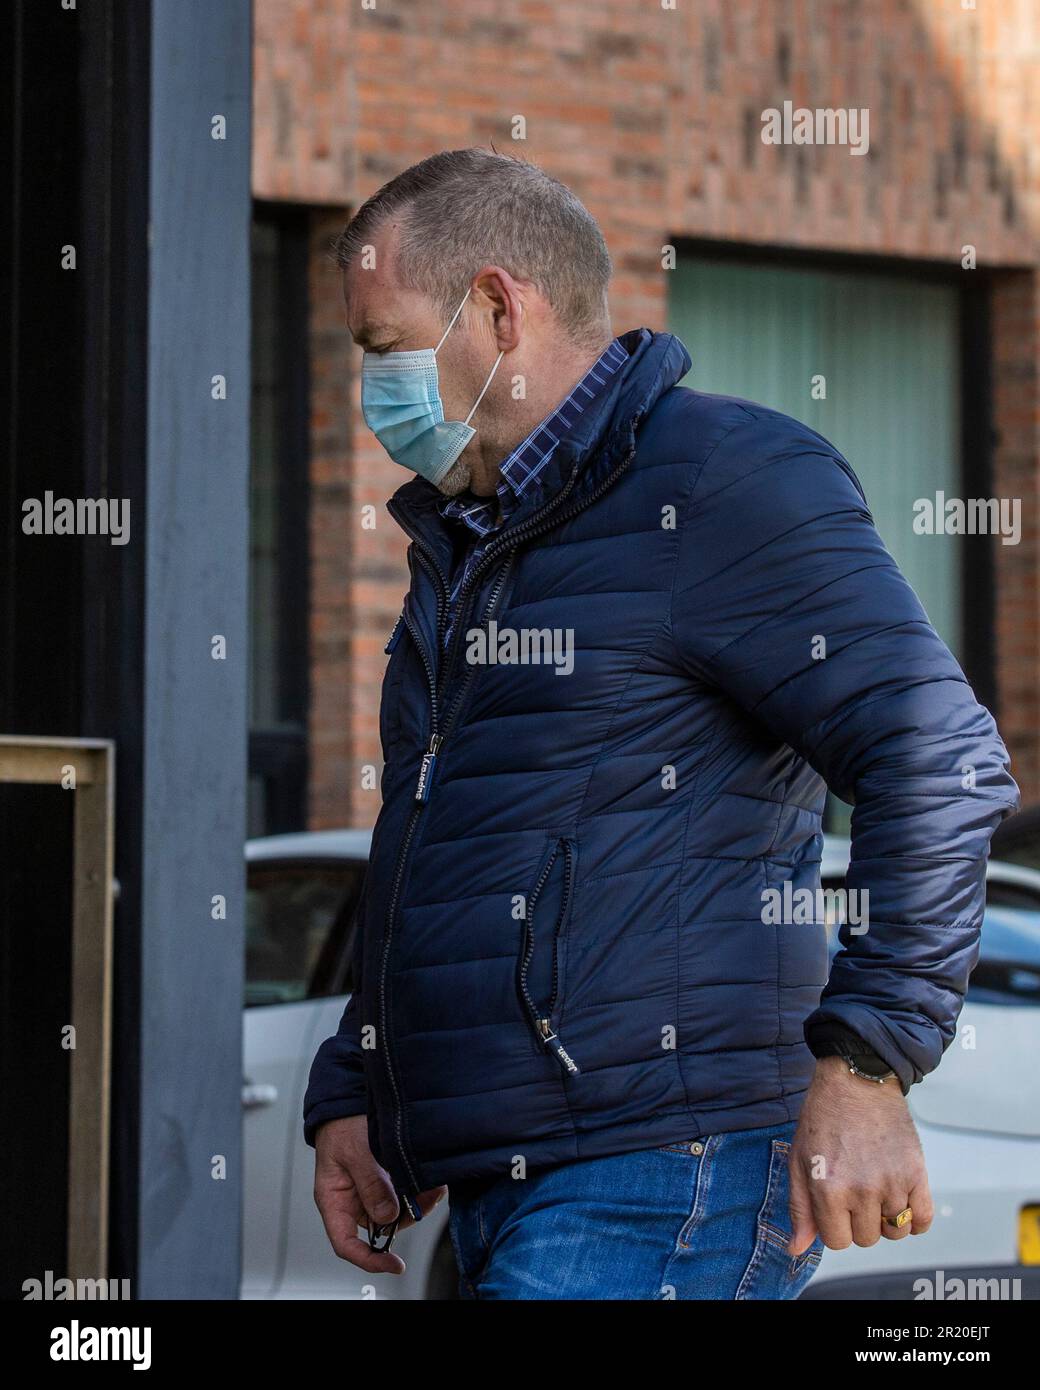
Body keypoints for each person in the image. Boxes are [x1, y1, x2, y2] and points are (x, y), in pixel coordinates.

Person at [303, 148, 1019, 1300]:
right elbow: (439, 838)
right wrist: (358, 1082)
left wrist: (868, 1062)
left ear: (495, 307)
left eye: (384, 349)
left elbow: (933, 754)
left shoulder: (724, 480)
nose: (372, 390)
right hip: (513, 1176)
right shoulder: (475, 542)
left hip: (663, 1170)